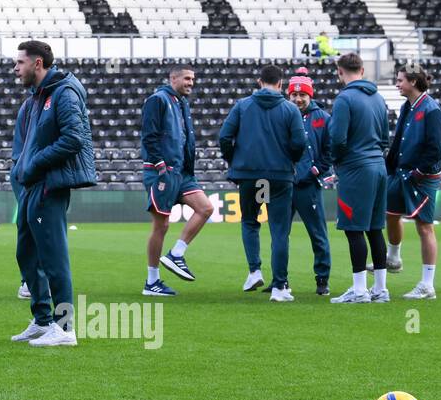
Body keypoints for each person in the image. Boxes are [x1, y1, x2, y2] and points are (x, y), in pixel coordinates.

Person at [8, 41, 96, 347]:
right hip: (33, 184)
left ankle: (65, 327)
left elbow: (74, 139)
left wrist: (34, 163)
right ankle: (43, 319)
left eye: (19, 63)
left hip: (50, 184)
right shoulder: (37, 97)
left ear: (37, 64)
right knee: (26, 253)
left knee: (53, 257)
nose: (15, 69)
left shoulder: (65, 93)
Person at [219, 65, 308, 301]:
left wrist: (235, 160)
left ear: (259, 82)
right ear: (280, 84)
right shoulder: (291, 109)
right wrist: (290, 160)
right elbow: (300, 142)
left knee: (250, 222)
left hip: (250, 176)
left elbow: (224, 137)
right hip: (279, 176)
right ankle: (279, 287)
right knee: (279, 230)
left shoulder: (242, 105)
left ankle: (254, 270)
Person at [140, 65, 214, 296]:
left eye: (193, 79)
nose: (191, 83)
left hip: (182, 172)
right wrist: (160, 164)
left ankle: (176, 254)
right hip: (163, 171)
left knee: (206, 208)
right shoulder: (158, 100)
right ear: (173, 78)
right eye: (187, 78)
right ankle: (152, 282)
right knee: (161, 225)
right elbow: (149, 134)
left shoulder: (181, 102)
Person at [328, 52, 391, 304]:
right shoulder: (378, 98)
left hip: (356, 169)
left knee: (354, 229)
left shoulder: (344, 99)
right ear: (362, 71)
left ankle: (359, 290)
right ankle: (380, 289)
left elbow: (338, 139)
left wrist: (338, 162)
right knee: (375, 229)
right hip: (379, 166)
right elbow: (385, 139)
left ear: (340, 72)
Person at [386, 66, 441, 300]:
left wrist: (420, 172)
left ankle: (427, 285)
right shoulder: (407, 106)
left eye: (400, 80)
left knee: (424, 227)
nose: (397, 84)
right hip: (400, 173)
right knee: (390, 214)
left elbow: (435, 147)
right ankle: (393, 258)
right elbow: (399, 140)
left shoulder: (431, 109)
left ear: (413, 81)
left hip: (421, 178)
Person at [286, 69, 334, 295]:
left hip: (308, 186)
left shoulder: (323, 118)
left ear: (310, 95)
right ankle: (280, 280)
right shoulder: (281, 115)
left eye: (302, 95)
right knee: (279, 234)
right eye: (294, 95)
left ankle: (322, 280)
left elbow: (331, 150)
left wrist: (316, 170)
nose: (298, 99)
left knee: (318, 234)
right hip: (283, 185)